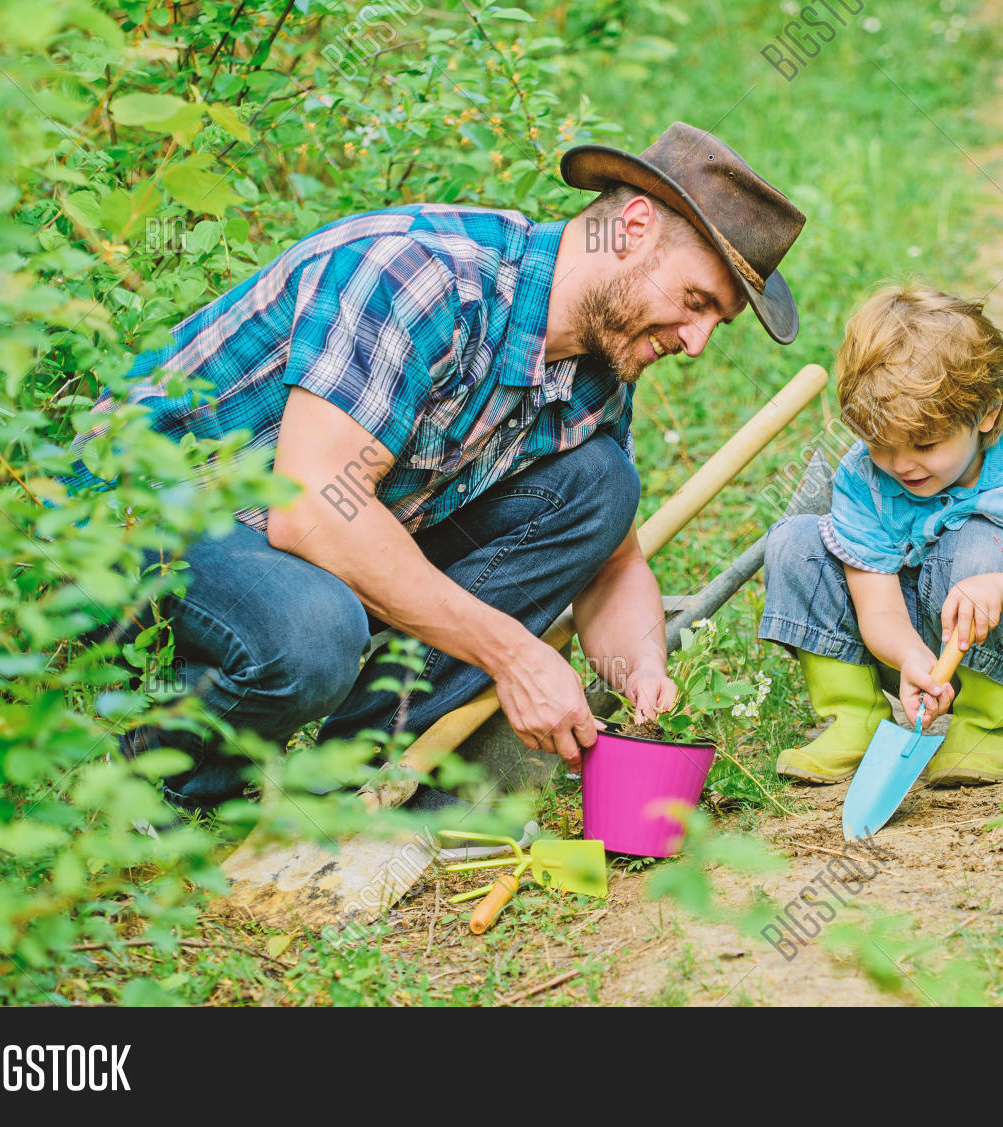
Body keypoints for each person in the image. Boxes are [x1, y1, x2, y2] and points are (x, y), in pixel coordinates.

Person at [65, 122, 807, 812]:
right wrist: (512, 655)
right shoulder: (420, 274)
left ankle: (351, 777)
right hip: (136, 513)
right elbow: (311, 508)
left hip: (287, 539)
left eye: (716, 322)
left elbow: (614, 567)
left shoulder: (597, 370)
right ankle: (164, 788)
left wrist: (640, 670)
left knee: (600, 484)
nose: (696, 341)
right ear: (633, 228)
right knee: (314, 630)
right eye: (694, 301)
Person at [759, 283, 1003, 787]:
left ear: (987, 414)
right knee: (795, 540)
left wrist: (1002, 589)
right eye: (880, 443)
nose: (901, 464)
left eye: (925, 444)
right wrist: (912, 658)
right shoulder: (865, 477)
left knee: (975, 540)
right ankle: (853, 718)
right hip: (916, 650)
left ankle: (988, 725)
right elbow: (878, 606)